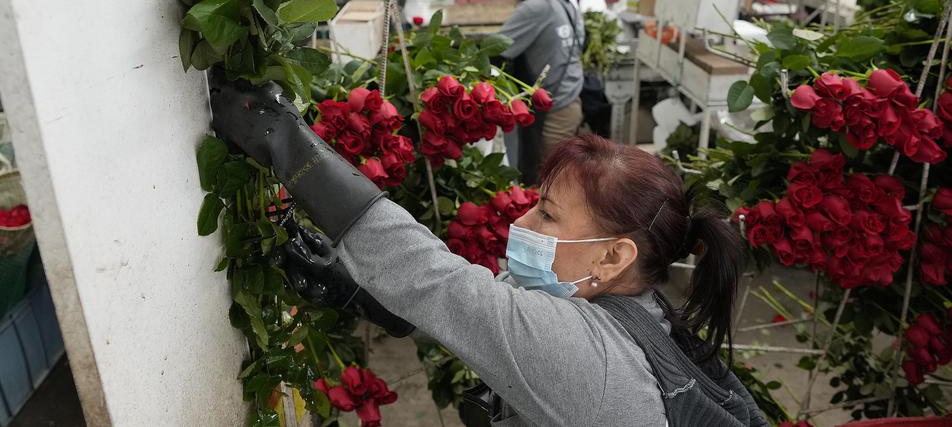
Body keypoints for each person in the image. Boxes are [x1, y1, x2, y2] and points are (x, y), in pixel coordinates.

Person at [207, 65, 767, 427]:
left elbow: (443, 286)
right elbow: (471, 317)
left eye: (546, 214)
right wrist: (360, 295)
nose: (520, 220)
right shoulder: (632, 312)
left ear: (613, 255)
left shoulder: (586, 353)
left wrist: (286, 142)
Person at [499, 0, 585, 182]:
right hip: (571, 101)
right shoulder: (567, 0)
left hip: (555, 110)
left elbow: (496, 47)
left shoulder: (536, 7)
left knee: (548, 183)